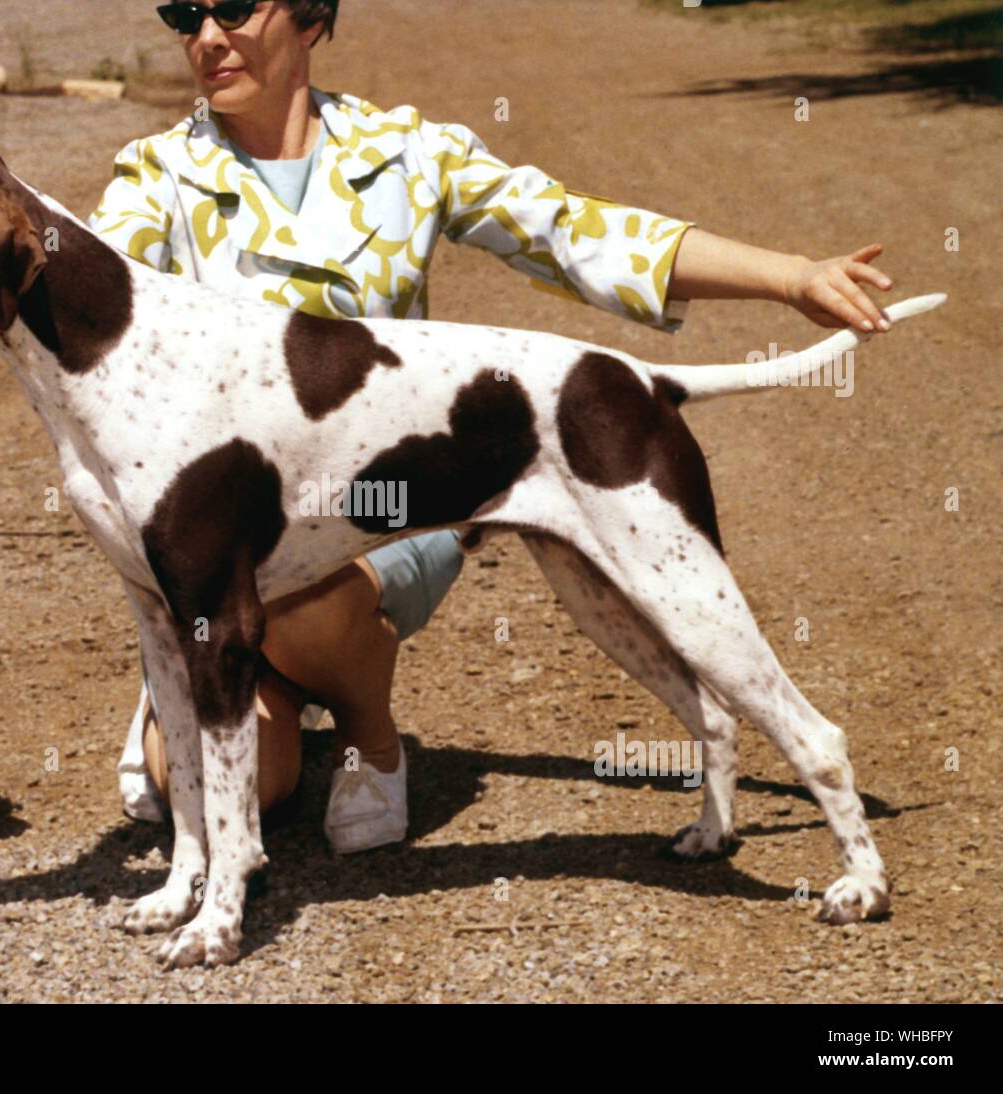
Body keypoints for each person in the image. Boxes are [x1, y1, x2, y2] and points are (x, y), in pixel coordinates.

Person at [87, 0, 895, 853]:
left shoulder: (404, 152)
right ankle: (215, 669)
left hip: (392, 508)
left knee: (308, 610)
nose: (207, 38)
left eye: (236, 9)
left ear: (310, 18)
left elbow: (574, 231)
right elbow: (85, 307)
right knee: (224, 788)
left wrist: (789, 278)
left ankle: (369, 734)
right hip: (242, 536)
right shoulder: (156, 176)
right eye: (185, 13)